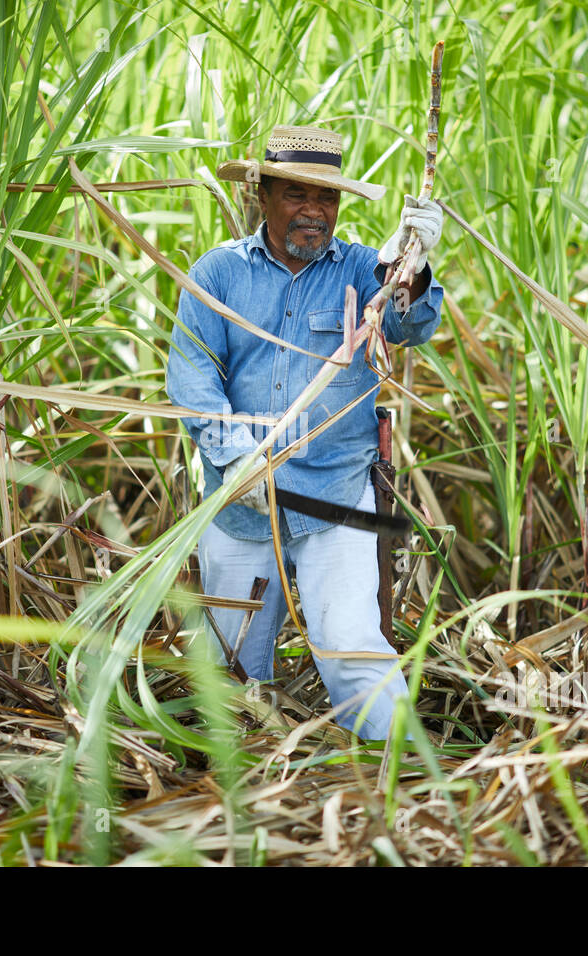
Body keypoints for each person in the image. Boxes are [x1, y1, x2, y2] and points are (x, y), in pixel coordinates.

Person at [165, 125, 444, 740]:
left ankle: (398, 775)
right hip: (241, 497)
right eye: (297, 195)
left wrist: (412, 270)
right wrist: (235, 458)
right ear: (261, 195)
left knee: (350, 642)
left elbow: (408, 327)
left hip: (335, 491)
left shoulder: (363, 270)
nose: (314, 213)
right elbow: (191, 379)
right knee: (231, 664)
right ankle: (243, 791)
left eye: (326, 199)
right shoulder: (217, 276)